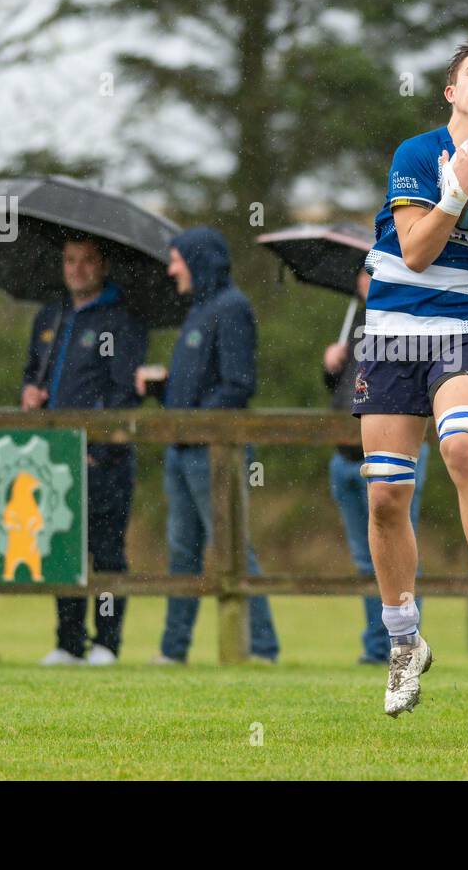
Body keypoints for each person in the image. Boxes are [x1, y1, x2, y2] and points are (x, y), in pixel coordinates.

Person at [357, 36, 468, 716]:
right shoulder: (416, 153)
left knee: (464, 443)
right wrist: (458, 188)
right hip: (393, 332)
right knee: (386, 498)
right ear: (452, 91)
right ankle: (405, 644)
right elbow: (417, 250)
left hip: (463, 331)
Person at [143, 226, 280, 664]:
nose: (171, 269)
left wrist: (197, 419)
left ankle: (261, 648)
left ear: (197, 259)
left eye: (177, 259)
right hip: (182, 450)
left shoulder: (232, 309)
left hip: (214, 454)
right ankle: (173, 650)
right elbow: (204, 384)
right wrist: (163, 387)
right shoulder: (198, 311)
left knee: (234, 549)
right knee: (181, 552)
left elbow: (239, 385)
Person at [22, 234, 147, 665]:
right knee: (62, 547)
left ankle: (107, 643)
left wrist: (100, 446)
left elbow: (123, 393)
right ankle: (68, 641)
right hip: (54, 455)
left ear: (103, 266)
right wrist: (30, 394)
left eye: (87, 261)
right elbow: (30, 373)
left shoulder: (120, 320)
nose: (77, 268)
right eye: (70, 260)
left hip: (102, 457)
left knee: (107, 548)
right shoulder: (50, 316)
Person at [324, 270, 428, 664]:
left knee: (399, 551)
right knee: (365, 557)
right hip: (346, 457)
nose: (363, 283)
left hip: (392, 455)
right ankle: (378, 645)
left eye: (371, 275)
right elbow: (345, 394)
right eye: (360, 277)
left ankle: (403, 640)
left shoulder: (407, 322)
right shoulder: (355, 326)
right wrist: (331, 367)